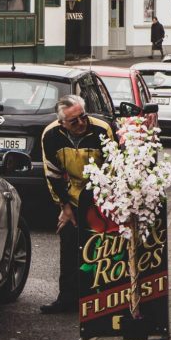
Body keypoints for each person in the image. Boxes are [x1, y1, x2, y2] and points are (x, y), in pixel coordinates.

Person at [39, 96, 113, 314]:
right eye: (74, 121)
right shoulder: (51, 135)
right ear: (62, 123)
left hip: (101, 194)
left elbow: (113, 168)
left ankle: (99, 297)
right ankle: (67, 298)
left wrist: (99, 201)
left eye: (83, 117)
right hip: (72, 194)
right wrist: (65, 207)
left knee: (100, 244)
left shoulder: (102, 130)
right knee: (69, 243)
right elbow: (51, 174)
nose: (81, 123)